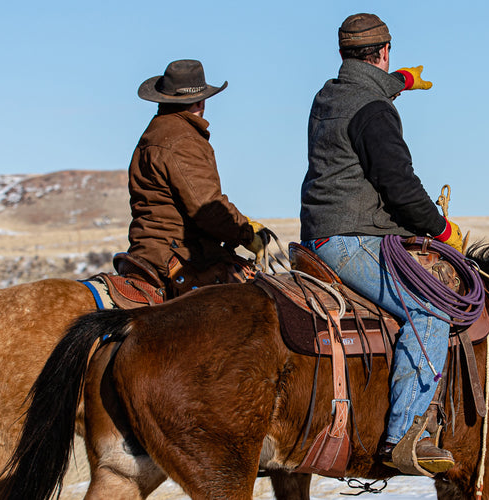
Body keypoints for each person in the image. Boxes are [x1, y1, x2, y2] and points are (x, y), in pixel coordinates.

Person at [299, 13, 463, 475]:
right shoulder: (374, 112)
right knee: (430, 311)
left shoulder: (329, 95)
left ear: (342, 53)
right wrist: (442, 229)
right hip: (352, 238)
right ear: (385, 50)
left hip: (317, 232)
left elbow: (365, 89)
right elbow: (399, 185)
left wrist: (400, 82)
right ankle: (405, 435)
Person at [118, 59, 266, 299]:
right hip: (180, 255)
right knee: (257, 304)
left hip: (147, 251)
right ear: (201, 100)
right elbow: (207, 209)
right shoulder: (184, 140)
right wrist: (246, 233)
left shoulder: (153, 133)